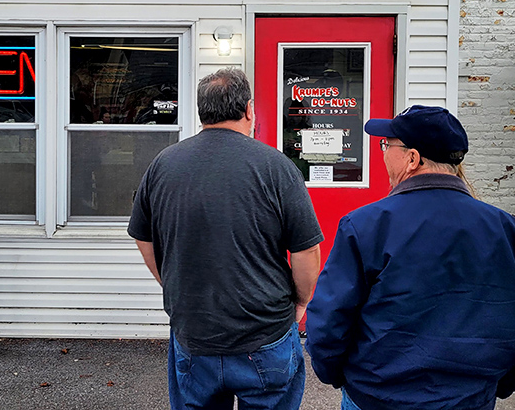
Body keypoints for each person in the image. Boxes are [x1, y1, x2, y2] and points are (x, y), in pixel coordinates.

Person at [128, 68, 323, 410]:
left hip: (194, 333)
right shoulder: (276, 167)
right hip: (265, 334)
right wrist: (302, 303)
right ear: (249, 109)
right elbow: (306, 249)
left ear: (201, 112)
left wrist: (170, 282)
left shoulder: (163, 165)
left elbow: (143, 238)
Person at [306, 104, 515, 410]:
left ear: (413, 158)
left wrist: (342, 377)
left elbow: (328, 322)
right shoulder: (504, 228)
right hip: (468, 399)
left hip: (376, 398)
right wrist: (498, 383)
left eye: (386, 145)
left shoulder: (366, 225)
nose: (382, 154)